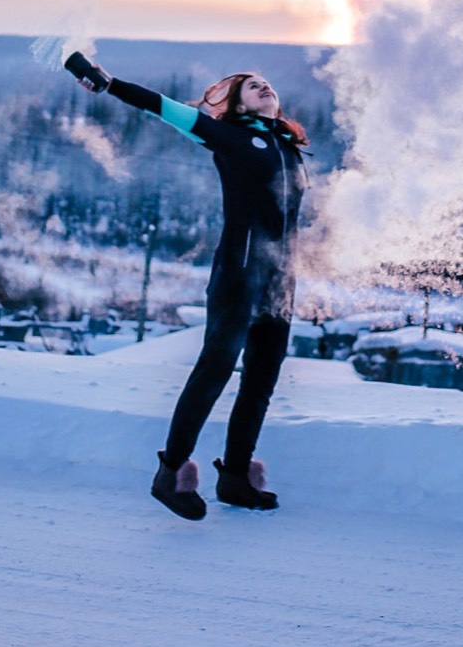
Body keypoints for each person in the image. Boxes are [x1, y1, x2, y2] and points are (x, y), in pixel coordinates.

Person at [64, 49, 309, 521]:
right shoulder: (228, 137)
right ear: (236, 104)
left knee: (260, 383)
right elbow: (161, 106)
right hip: (239, 275)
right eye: (251, 85)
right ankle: (170, 472)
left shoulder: (289, 148)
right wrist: (107, 83)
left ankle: (236, 478)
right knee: (214, 372)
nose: (264, 86)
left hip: (281, 281)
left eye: (268, 83)